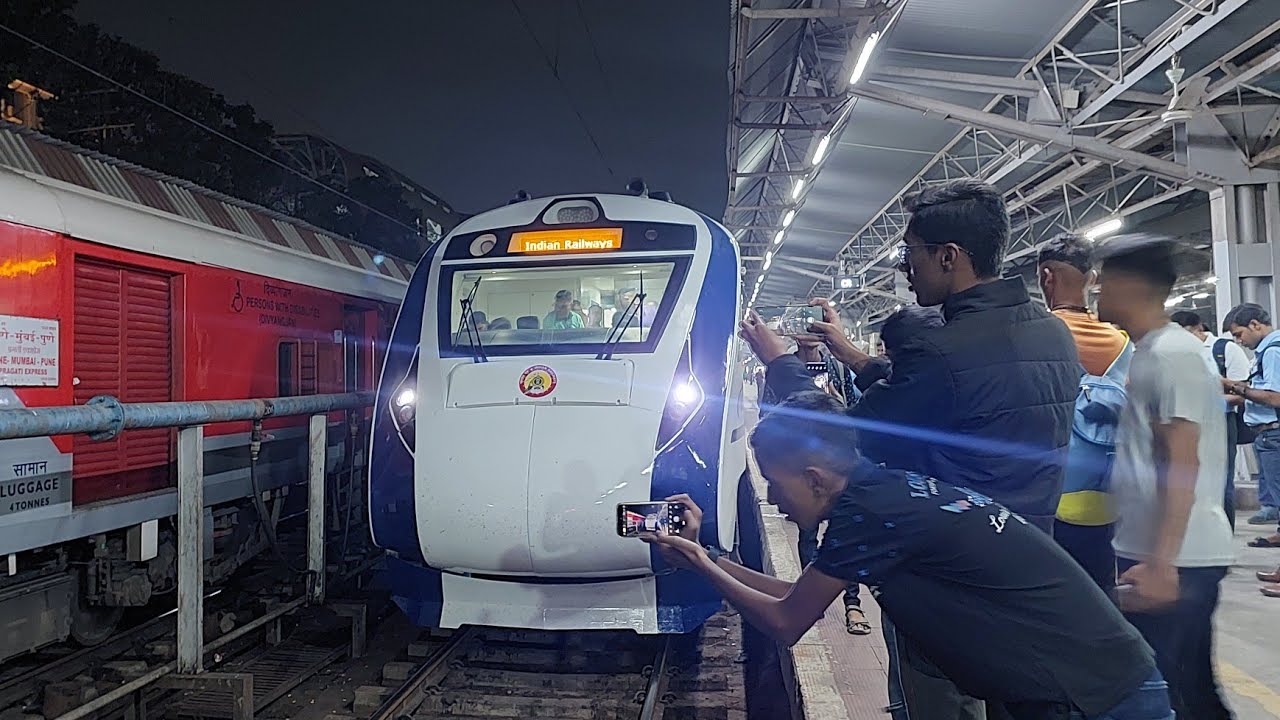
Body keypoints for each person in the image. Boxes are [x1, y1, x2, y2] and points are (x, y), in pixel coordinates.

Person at [742, 178, 1082, 720]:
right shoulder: (1051, 335)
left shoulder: (942, 351)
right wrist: (855, 358)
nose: (905, 268)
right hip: (1026, 566)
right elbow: (953, 395)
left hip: (945, 579)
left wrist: (780, 363)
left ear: (949, 257)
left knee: (938, 705)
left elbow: (840, 437)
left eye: (911, 254)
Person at [647, 392, 1172, 720]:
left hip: (1094, 696)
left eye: (775, 484)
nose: (772, 499)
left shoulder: (872, 512)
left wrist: (701, 566)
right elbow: (793, 595)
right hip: (1088, 683)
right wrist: (707, 552)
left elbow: (786, 622)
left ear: (815, 479)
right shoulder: (879, 493)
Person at [1094, 234, 1234, 719]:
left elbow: (1182, 459)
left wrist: (1162, 564)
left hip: (1182, 555)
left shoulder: (1173, 353)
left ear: (1131, 286)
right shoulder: (1151, 351)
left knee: (1181, 694)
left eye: (1105, 281)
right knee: (1183, 688)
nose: (1097, 291)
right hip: (1161, 551)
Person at [1037, 232, 1131, 590]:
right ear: (1091, 279)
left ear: (1047, 277)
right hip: (1110, 493)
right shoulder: (1120, 341)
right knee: (1100, 593)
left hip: (1052, 494)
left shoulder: (1042, 333)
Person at [1221, 303, 1280, 596]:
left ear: (1255, 324)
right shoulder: (1266, 352)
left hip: (1275, 433)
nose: (1238, 341)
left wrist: (1234, 387)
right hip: (1268, 436)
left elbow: (1274, 396)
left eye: (1239, 334)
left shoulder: (1273, 351)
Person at [1172, 310, 1249, 530]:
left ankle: (1224, 540)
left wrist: (1206, 399)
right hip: (1186, 424)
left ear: (1199, 329)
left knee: (1221, 484)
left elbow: (1243, 393)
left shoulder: (1225, 350)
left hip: (1221, 424)